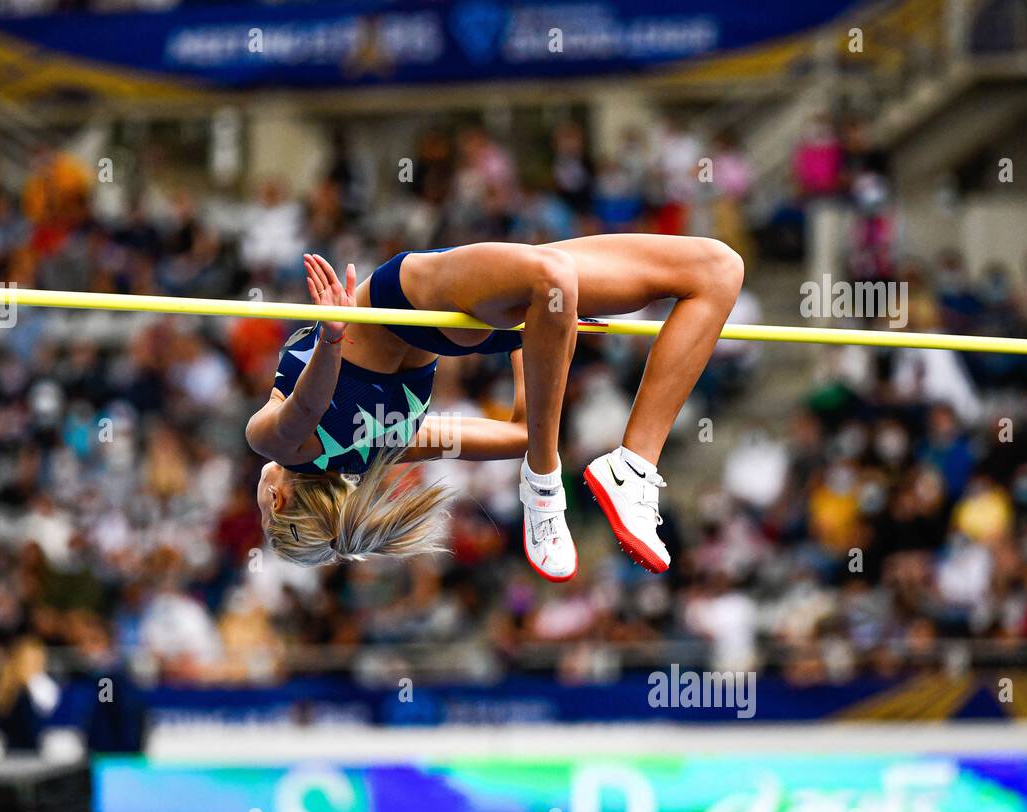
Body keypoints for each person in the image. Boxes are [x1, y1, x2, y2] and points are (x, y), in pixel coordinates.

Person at [248, 235, 743, 581]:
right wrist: (331, 341)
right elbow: (303, 409)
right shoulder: (281, 442)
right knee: (553, 279)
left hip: (485, 305)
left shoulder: (383, 447)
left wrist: (541, 337)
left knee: (716, 269)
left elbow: (521, 432)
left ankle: (633, 463)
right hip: (422, 294)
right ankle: (544, 481)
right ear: (277, 502)